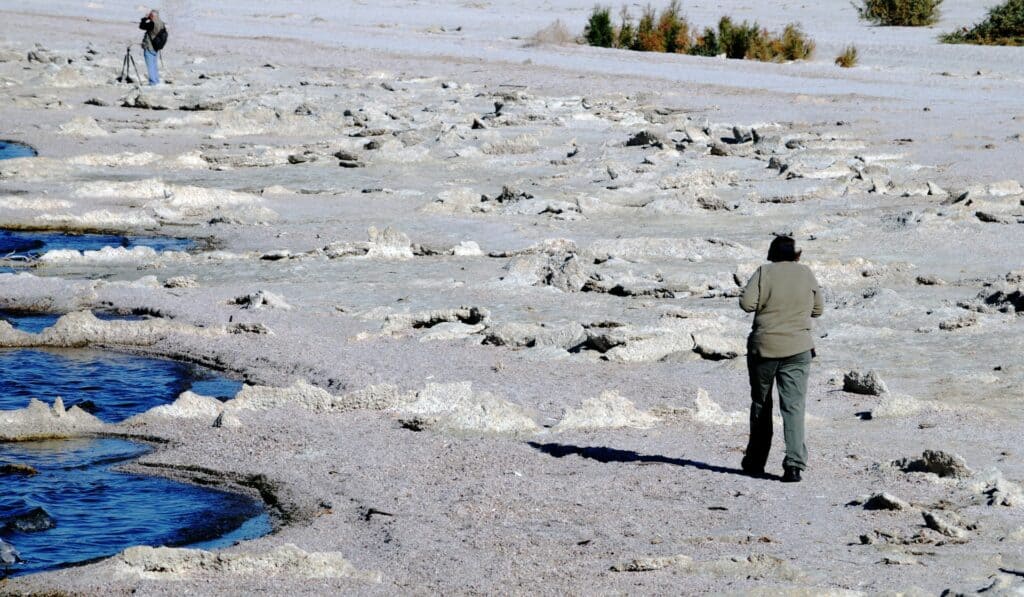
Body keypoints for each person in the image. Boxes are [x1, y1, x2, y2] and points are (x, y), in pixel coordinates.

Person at [738, 236, 823, 483]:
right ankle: (794, 466)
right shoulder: (806, 273)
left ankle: (755, 462)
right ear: (796, 254)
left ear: (771, 253)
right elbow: (818, 310)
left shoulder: (764, 272)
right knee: (794, 407)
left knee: (761, 404)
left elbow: (746, 304)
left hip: (765, 347)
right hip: (798, 348)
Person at [139, 9, 164, 86]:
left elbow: (142, 26)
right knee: (154, 65)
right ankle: (156, 80)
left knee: (150, 65)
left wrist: (145, 19)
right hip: (156, 47)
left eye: (150, 15)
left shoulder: (152, 24)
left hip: (149, 47)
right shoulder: (161, 23)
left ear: (152, 16)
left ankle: (153, 82)